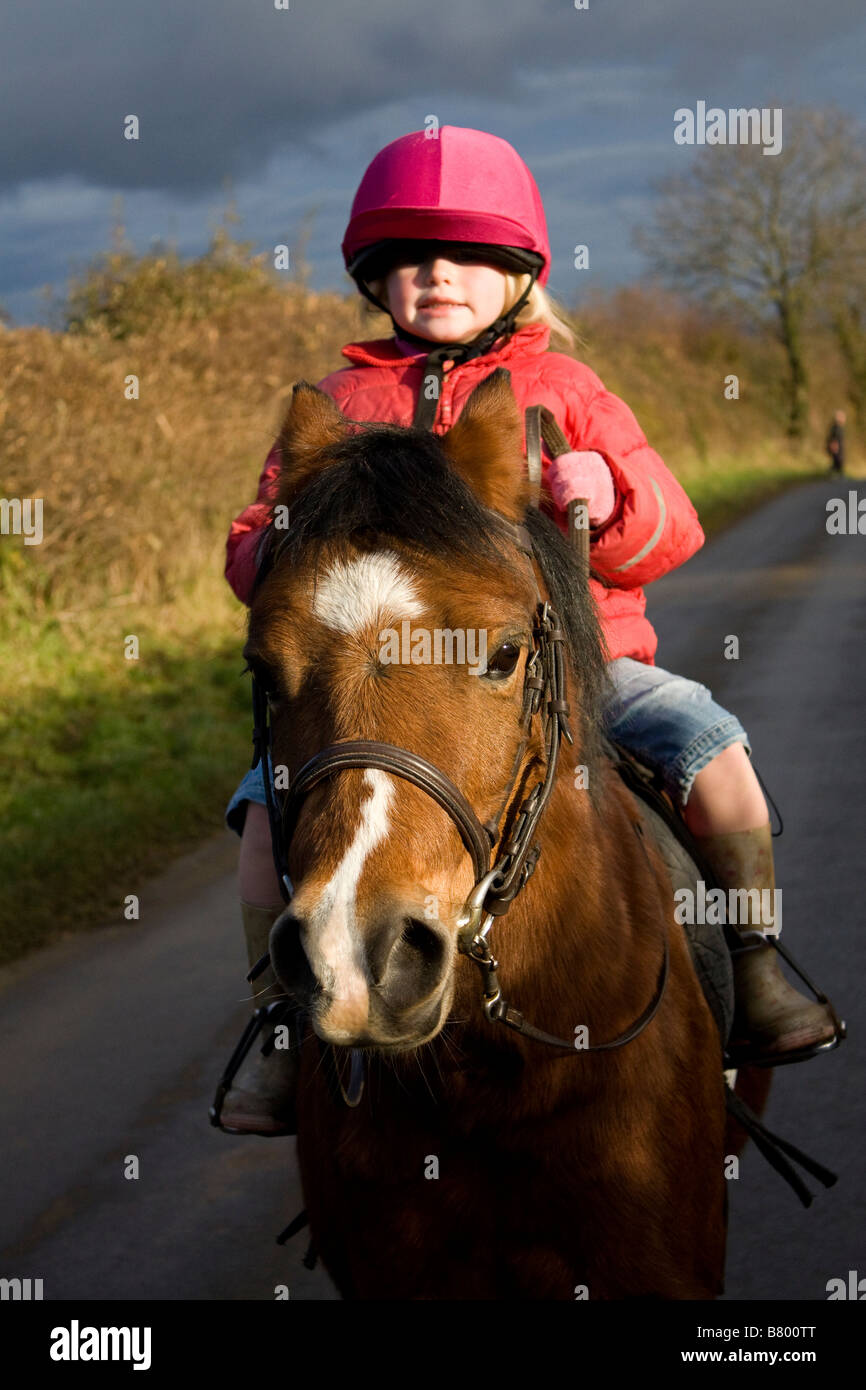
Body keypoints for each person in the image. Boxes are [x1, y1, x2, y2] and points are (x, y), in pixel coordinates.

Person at [216, 127, 839, 1135]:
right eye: (410, 260)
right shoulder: (334, 407)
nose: (436, 276)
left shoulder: (569, 392)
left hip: (576, 670)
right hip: (377, 688)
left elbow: (668, 529)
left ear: (520, 274)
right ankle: (283, 1033)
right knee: (261, 825)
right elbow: (257, 536)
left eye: (466, 256)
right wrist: (277, 552)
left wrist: (612, 487)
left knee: (715, 754)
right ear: (376, 281)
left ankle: (756, 973)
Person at [826, 410, 846, 474]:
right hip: (837, 448)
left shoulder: (838, 427)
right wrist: (834, 446)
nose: (844, 420)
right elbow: (834, 438)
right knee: (837, 461)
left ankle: (836, 474)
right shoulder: (836, 428)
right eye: (843, 418)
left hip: (839, 448)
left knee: (839, 462)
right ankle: (833, 474)